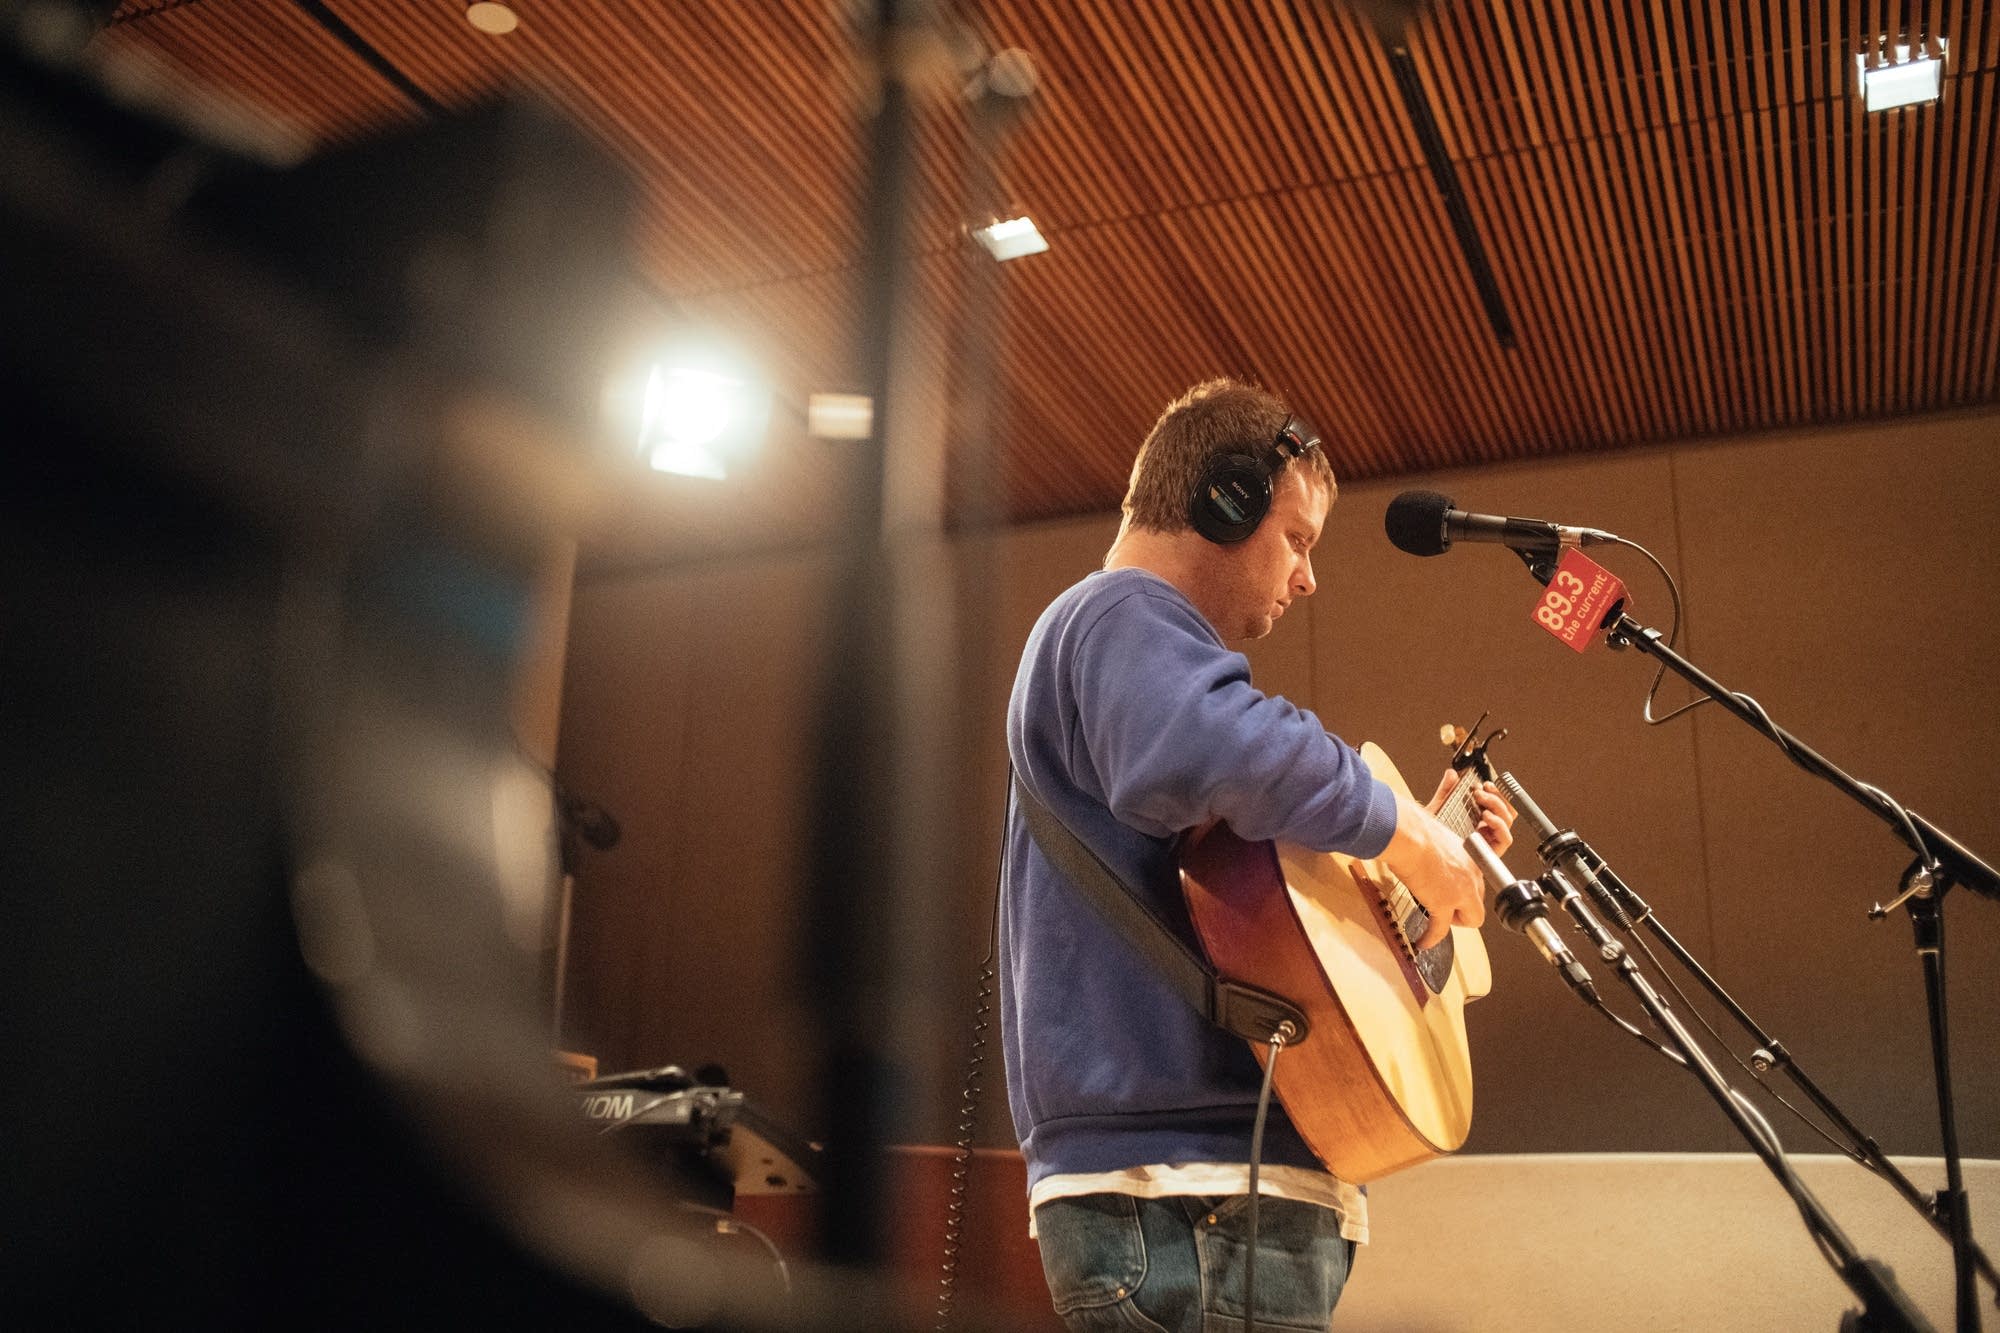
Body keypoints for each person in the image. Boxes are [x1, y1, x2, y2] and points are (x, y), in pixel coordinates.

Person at [1000, 378, 1516, 1331]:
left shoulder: (1129, 656)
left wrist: (1419, 883)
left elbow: (1271, 914)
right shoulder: (1119, 611)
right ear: (1223, 501)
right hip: (1188, 1200)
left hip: (1201, 1202)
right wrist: (1409, 835)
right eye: (1298, 537)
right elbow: (1213, 745)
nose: (1308, 577)